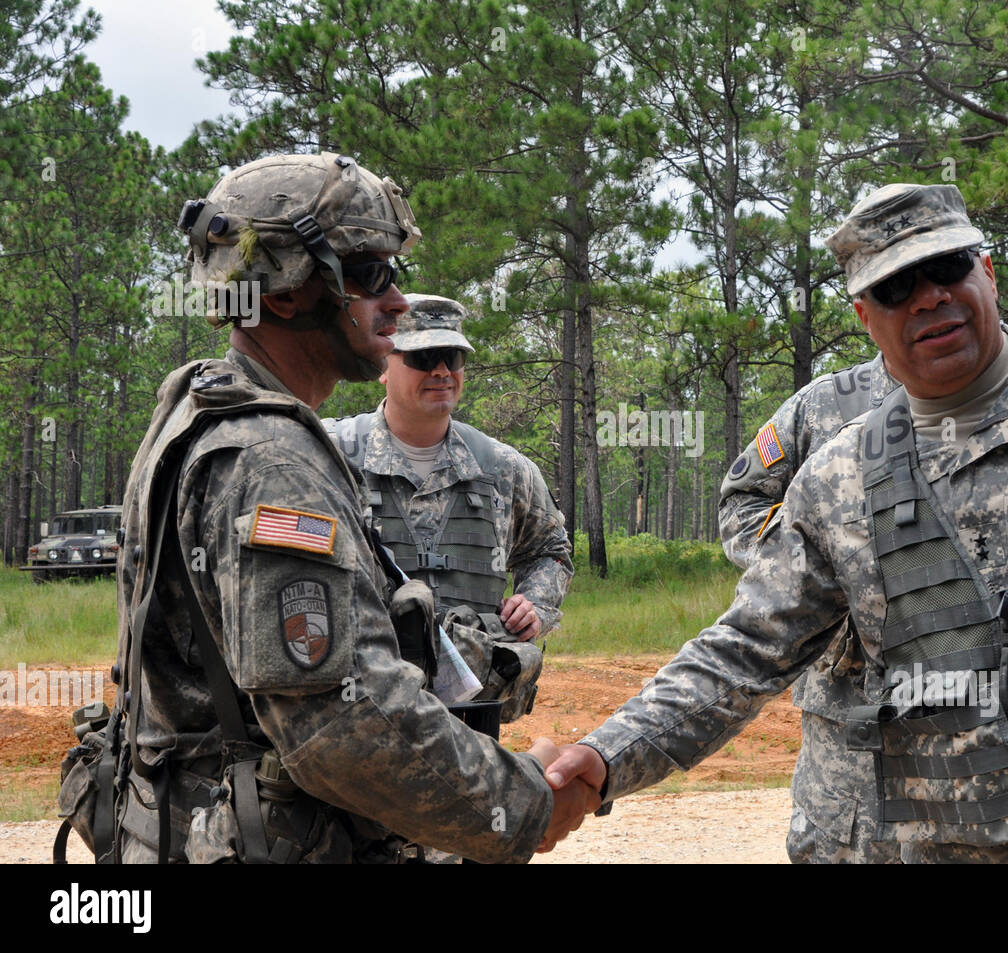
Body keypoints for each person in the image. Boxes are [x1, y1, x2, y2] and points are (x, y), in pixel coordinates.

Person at [542, 182, 1008, 861]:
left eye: (947, 269)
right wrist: (603, 757)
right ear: (865, 316)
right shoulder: (838, 476)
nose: (930, 297)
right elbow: (742, 653)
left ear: (989, 273)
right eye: (898, 286)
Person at [69, 152, 594, 864]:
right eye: (368, 272)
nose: (398, 303)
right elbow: (341, 724)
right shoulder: (271, 461)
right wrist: (524, 800)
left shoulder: (200, 408)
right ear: (283, 294)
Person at [324, 293, 573, 722]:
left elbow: (551, 549)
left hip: (469, 712)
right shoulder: (332, 454)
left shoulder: (502, 467)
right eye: (423, 357)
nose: (441, 371)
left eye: (453, 357)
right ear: (384, 363)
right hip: (357, 709)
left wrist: (534, 603)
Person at [719, 353, 901, 863]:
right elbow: (742, 503)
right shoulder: (827, 403)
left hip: (978, 691)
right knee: (837, 842)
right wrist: (821, 574)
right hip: (847, 703)